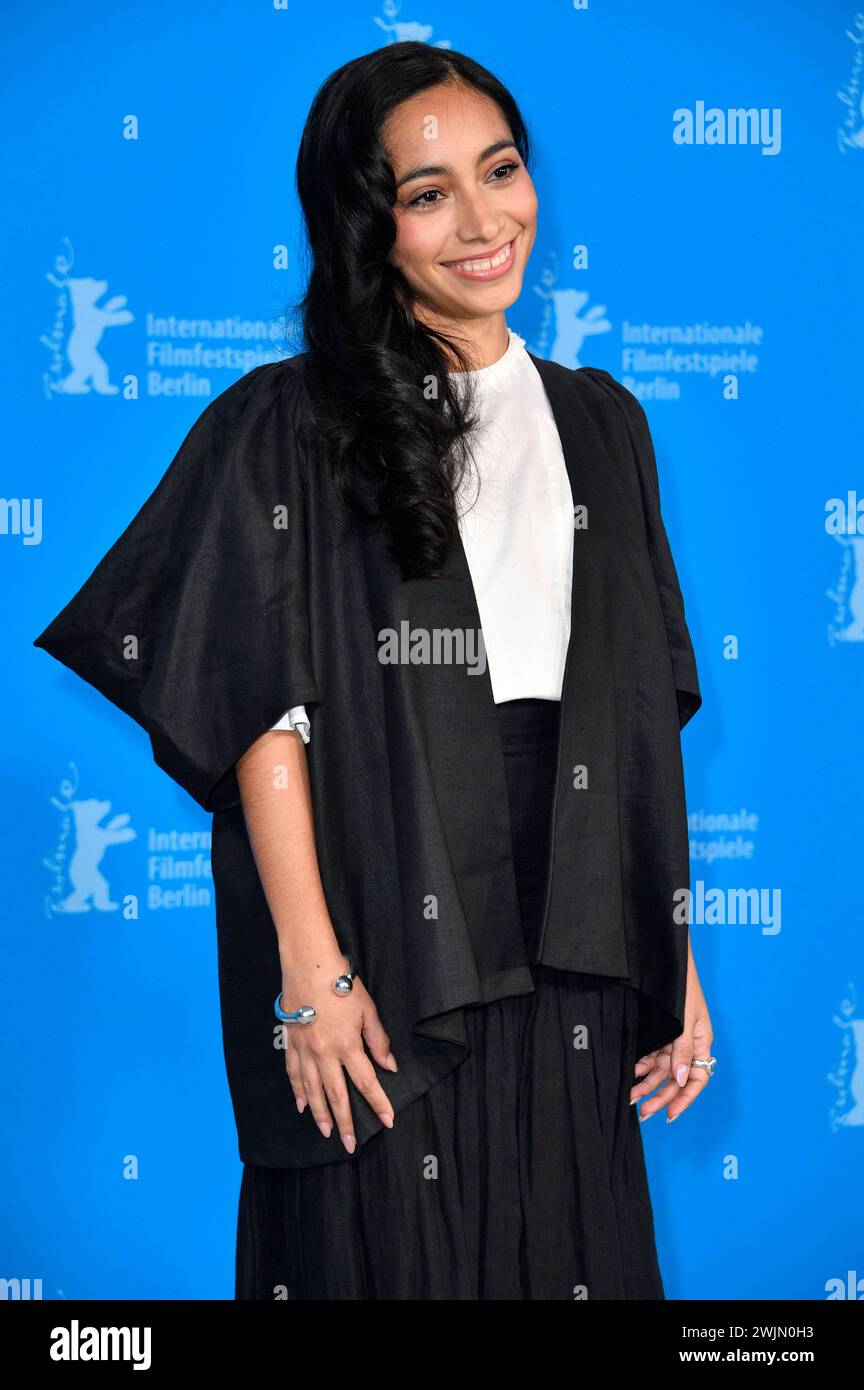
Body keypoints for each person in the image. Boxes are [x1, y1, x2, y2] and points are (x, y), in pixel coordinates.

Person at [33, 41, 714, 1301]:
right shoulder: (289, 424)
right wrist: (311, 967)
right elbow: (261, 717)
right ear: (369, 224)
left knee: (569, 1243)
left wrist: (675, 958)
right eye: (427, 191)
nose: (481, 219)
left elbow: (634, 715)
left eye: (499, 171)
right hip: (381, 902)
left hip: (572, 917)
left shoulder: (604, 422)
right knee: (380, 1254)